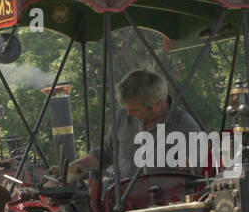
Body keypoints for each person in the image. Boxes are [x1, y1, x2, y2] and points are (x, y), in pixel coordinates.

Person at [67, 69, 198, 179]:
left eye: (134, 110)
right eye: (127, 109)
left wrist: (189, 168)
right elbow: (105, 154)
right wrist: (71, 168)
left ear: (157, 105)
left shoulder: (186, 129)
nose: (128, 114)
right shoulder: (123, 116)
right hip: (120, 199)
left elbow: (197, 175)